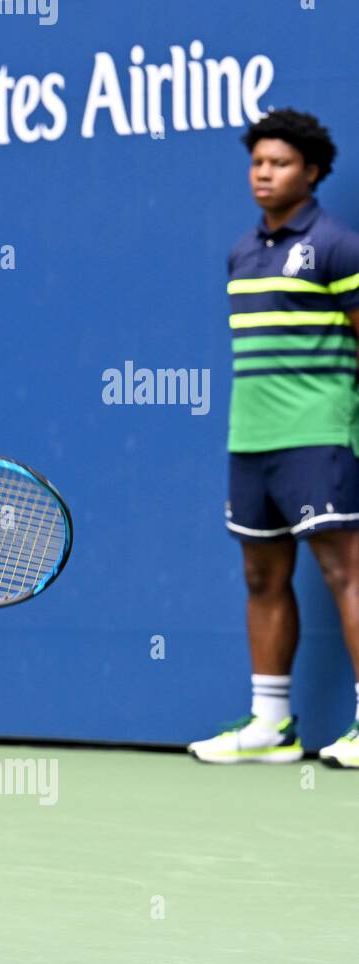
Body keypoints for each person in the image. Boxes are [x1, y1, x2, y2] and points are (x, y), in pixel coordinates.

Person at [189, 109, 359, 768]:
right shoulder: (241, 251)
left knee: (346, 572)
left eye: (280, 163)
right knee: (261, 575)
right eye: (257, 162)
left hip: (318, 435)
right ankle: (271, 725)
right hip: (250, 440)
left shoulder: (340, 246)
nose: (264, 173)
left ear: (312, 172)